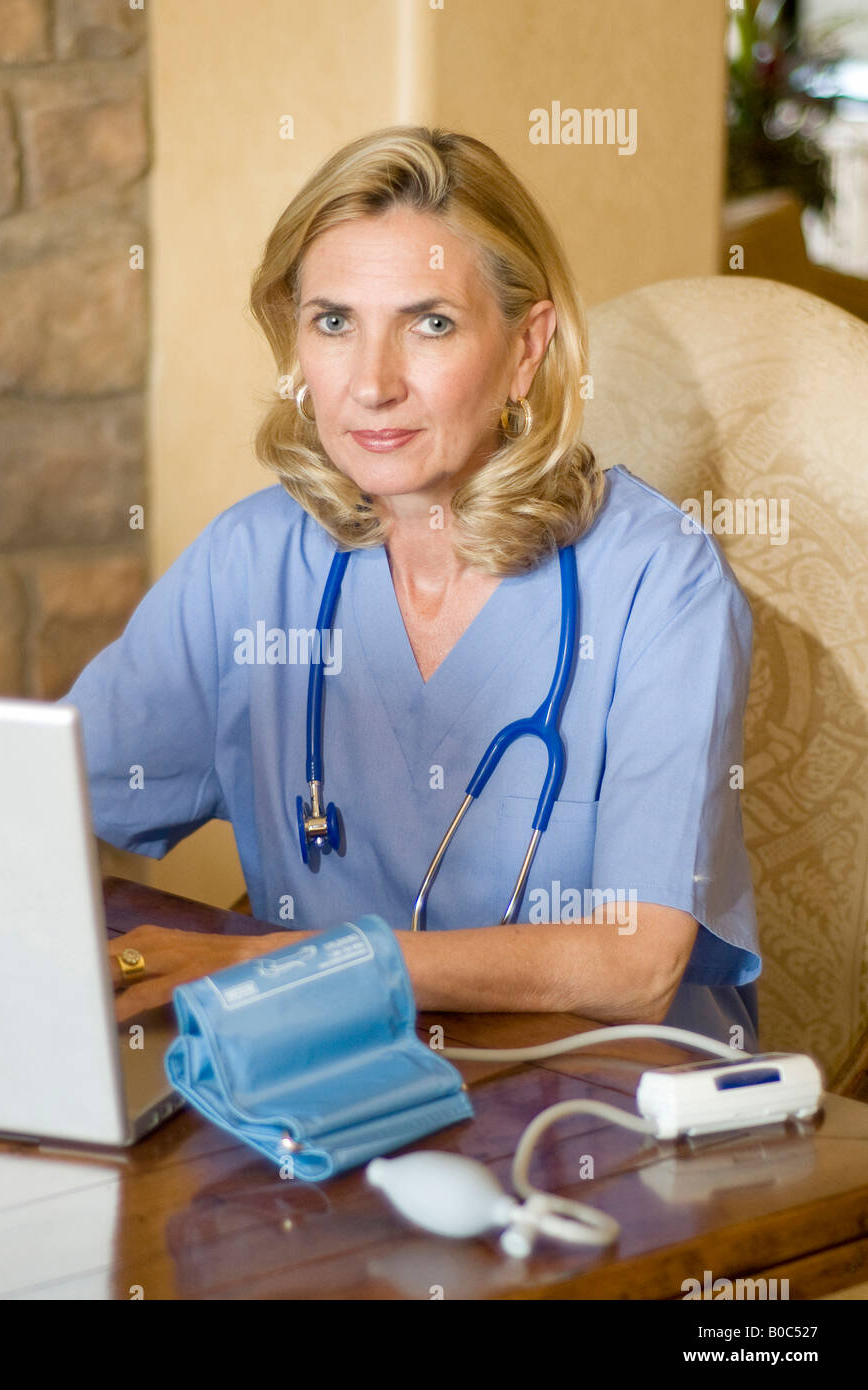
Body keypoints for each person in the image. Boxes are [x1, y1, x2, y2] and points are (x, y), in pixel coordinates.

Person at [61, 126, 760, 1048]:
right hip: (329, 1073)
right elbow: (38, 802)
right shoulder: (253, 562)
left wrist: (275, 963)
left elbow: (636, 966)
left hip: (603, 1092)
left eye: (429, 324)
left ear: (524, 349)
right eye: (333, 323)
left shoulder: (656, 579)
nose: (371, 384)